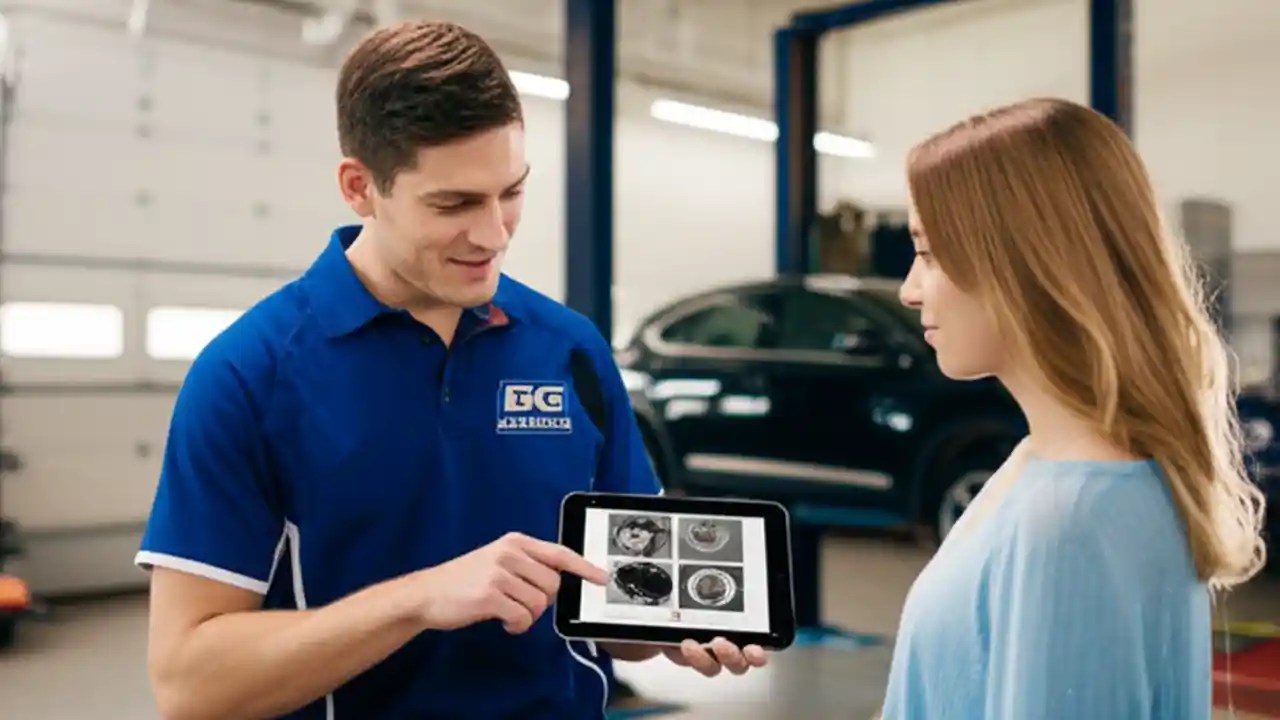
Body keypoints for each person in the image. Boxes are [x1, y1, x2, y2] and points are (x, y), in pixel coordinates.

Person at [135, 19, 765, 720]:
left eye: (511, 193)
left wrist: (670, 627)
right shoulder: (249, 376)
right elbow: (190, 686)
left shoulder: (572, 350)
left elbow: (611, 613)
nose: (494, 234)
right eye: (455, 204)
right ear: (359, 186)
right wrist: (420, 599)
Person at [880, 97, 1267, 719]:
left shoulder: (1072, 520)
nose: (909, 289)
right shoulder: (1042, 466)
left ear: (1019, 263)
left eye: (927, 253)